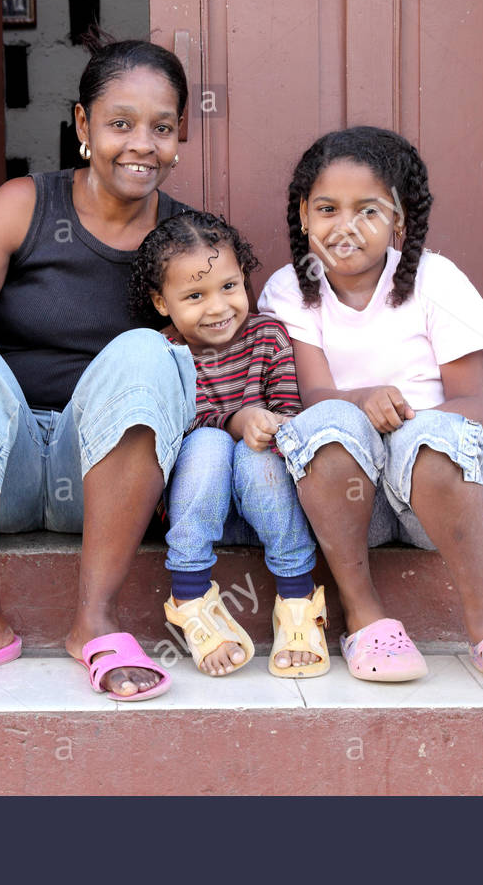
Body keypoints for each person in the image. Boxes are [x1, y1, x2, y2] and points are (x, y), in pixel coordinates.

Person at [0, 38, 197, 700]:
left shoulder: (191, 240)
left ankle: (96, 620)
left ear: (180, 136)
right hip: (2, 470)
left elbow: (215, 364)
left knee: (149, 351)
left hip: (104, 481)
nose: (142, 144)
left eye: (161, 128)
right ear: (83, 126)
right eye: (120, 123)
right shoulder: (25, 205)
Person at [260, 126, 483, 694]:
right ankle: (365, 617)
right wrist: (363, 400)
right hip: (352, 505)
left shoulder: (435, 280)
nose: (343, 227)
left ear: (398, 220)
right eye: (326, 208)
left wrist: (415, 435)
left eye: (367, 211)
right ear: (303, 215)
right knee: (327, 424)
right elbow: (312, 396)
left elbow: (475, 404)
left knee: (436, 439)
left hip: (437, 497)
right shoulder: (290, 288)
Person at [129, 210, 326, 679]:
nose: (217, 308)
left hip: (268, 506)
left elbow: (291, 413)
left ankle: (296, 599)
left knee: (256, 455)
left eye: (229, 287)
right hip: (196, 505)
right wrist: (236, 420)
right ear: (162, 302)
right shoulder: (165, 350)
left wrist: (268, 425)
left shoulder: (268, 336)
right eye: (195, 296)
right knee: (209, 444)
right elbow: (174, 428)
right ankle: (190, 595)